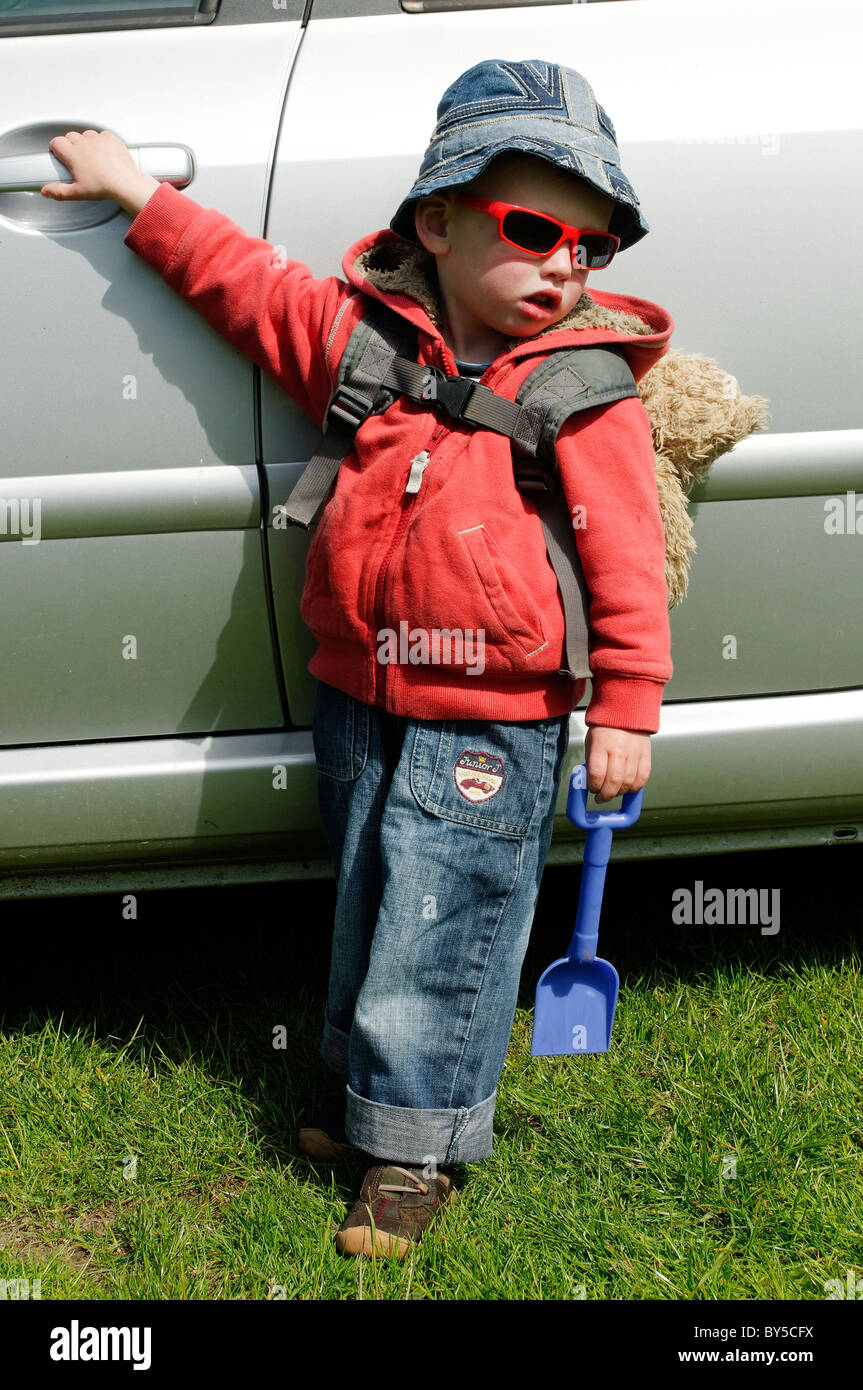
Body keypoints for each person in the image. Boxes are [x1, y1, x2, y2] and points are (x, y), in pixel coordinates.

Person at [41, 58, 673, 1260]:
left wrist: (627, 705)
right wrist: (135, 193)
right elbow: (246, 286)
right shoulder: (367, 350)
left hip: (493, 710)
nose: (559, 263)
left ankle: (415, 1151)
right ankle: (362, 1101)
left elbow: (627, 560)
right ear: (435, 223)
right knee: (370, 903)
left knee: (446, 922)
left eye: (585, 247)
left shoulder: (583, 393)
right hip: (360, 686)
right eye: (532, 228)